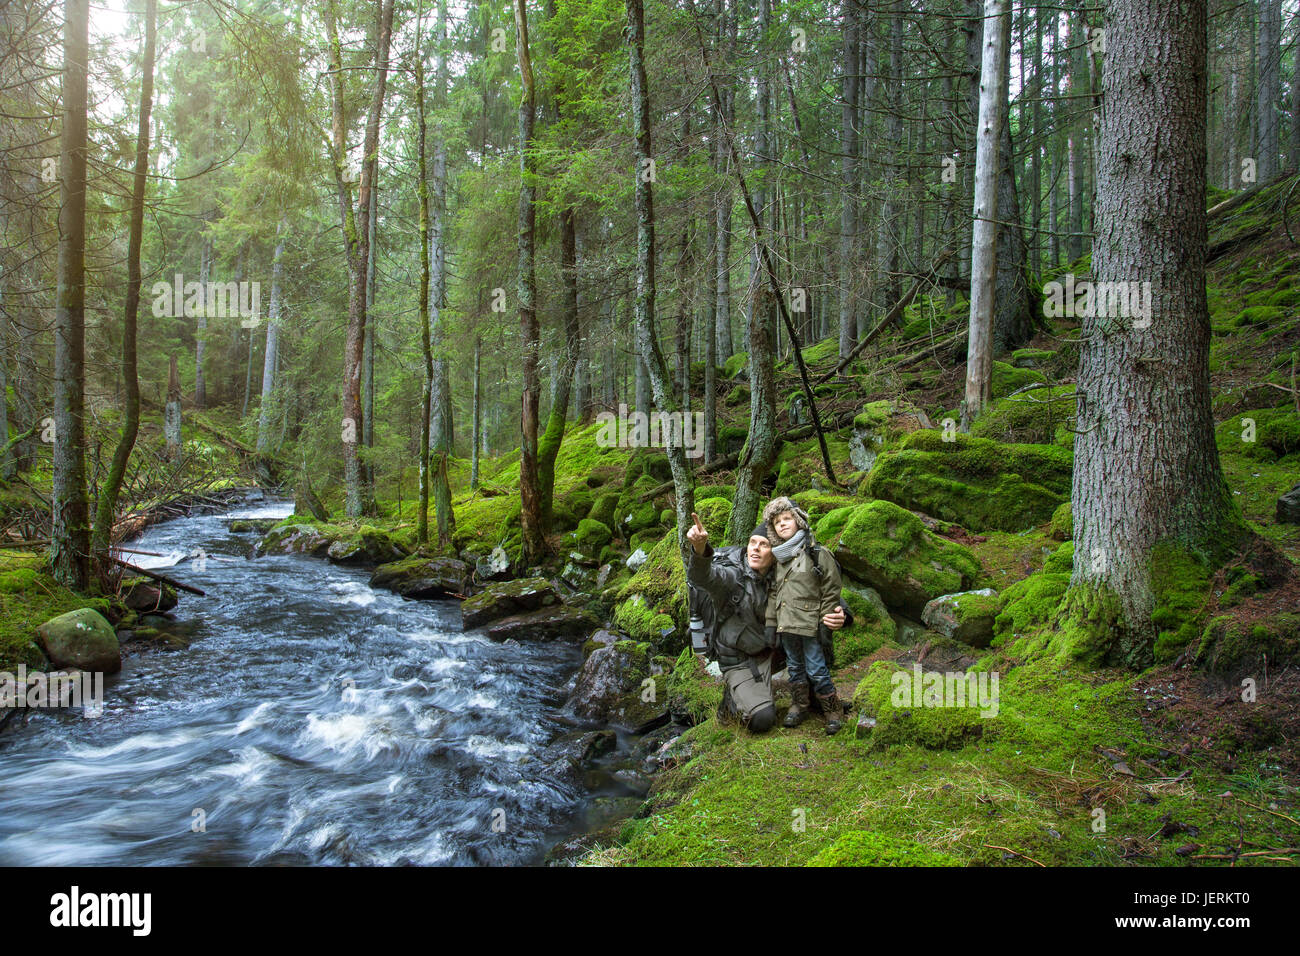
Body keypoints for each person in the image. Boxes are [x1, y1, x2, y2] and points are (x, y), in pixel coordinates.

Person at [685, 512, 846, 734]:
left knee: (814, 627)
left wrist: (840, 613)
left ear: (776, 552)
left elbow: (818, 591)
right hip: (740, 659)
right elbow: (704, 577)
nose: (755, 549)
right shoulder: (733, 575)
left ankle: (815, 697)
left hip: (775, 648)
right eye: (752, 543)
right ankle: (732, 702)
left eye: (763, 545)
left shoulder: (784, 570)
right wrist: (700, 549)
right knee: (763, 719)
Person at [761, 496, 844, 733]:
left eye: (787, 519)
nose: (783, 524)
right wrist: (770, 624)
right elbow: (775, 593)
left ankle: (832, 708)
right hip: (787, 626)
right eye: (777, 522)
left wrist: (825, 620)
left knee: (817, 668)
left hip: (810, 624)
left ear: (798, 521)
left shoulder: (816, 552)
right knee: (795, 667)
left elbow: (831, 587)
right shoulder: (779, 559)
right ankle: (799, 704)